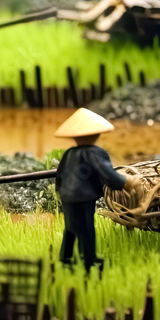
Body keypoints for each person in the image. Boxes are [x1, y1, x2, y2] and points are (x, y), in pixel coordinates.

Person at [53, 108, 137, 273]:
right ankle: (89, 260)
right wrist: (125, 183)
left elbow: (60, 175)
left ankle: (65, 257)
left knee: (70, 227)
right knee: (86, 229)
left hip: (68, 197)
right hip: (84, 198)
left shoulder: (69, 153)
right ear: (96, 135)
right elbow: (106, 173)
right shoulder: (95, 153)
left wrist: (60, 192)